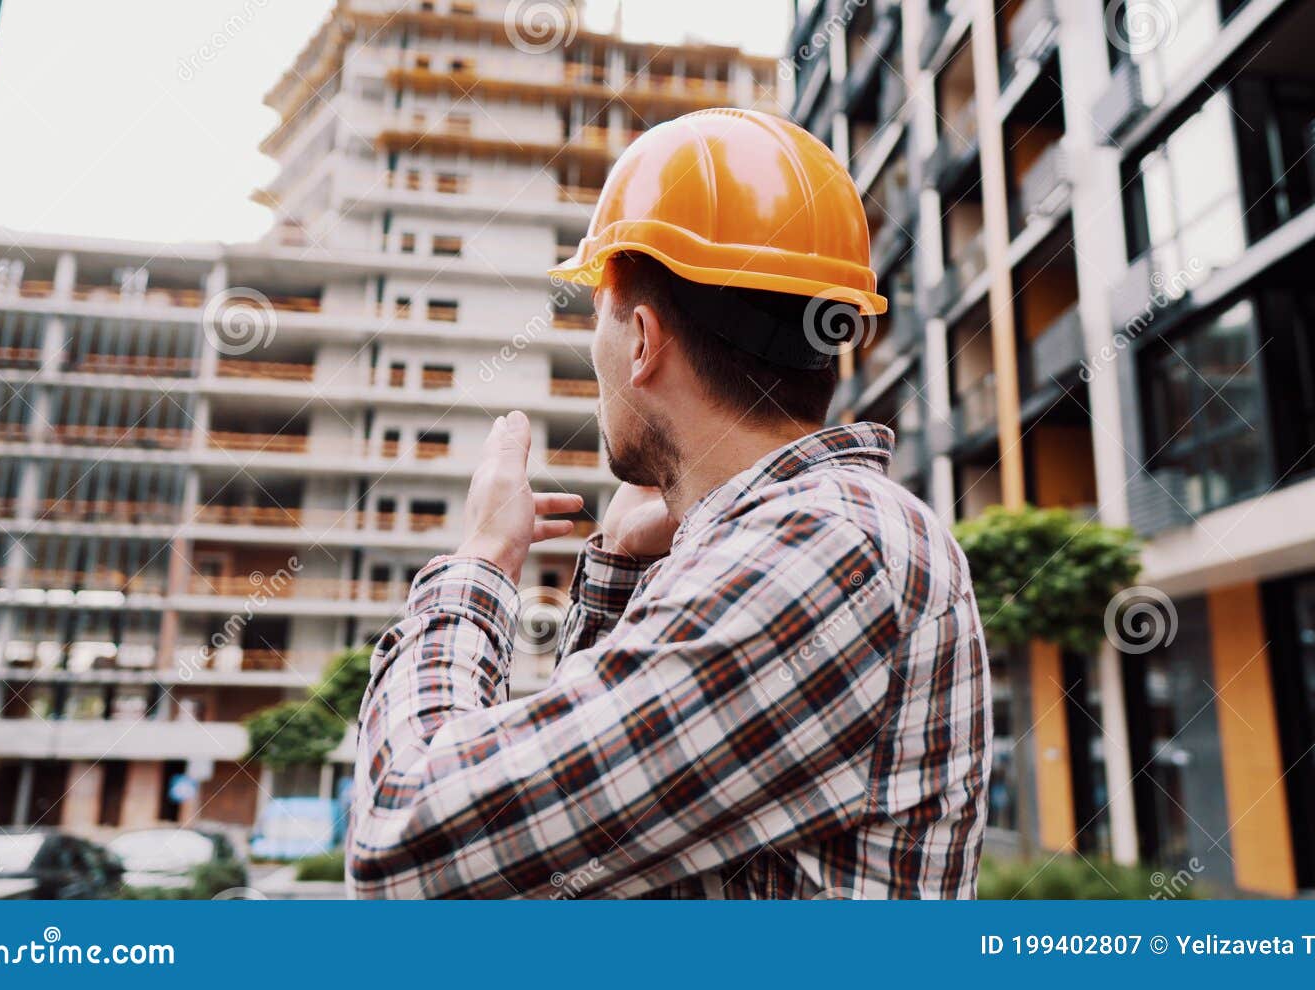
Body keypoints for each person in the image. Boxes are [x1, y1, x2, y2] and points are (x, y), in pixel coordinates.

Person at [348, 108, 990, 898]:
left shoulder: (828, 549)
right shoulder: (795, 544)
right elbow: (573, 864)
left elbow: (405, 842)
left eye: (599, 326)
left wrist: (479, 563)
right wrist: (620, 568)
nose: (596, 358)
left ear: (644, 341)